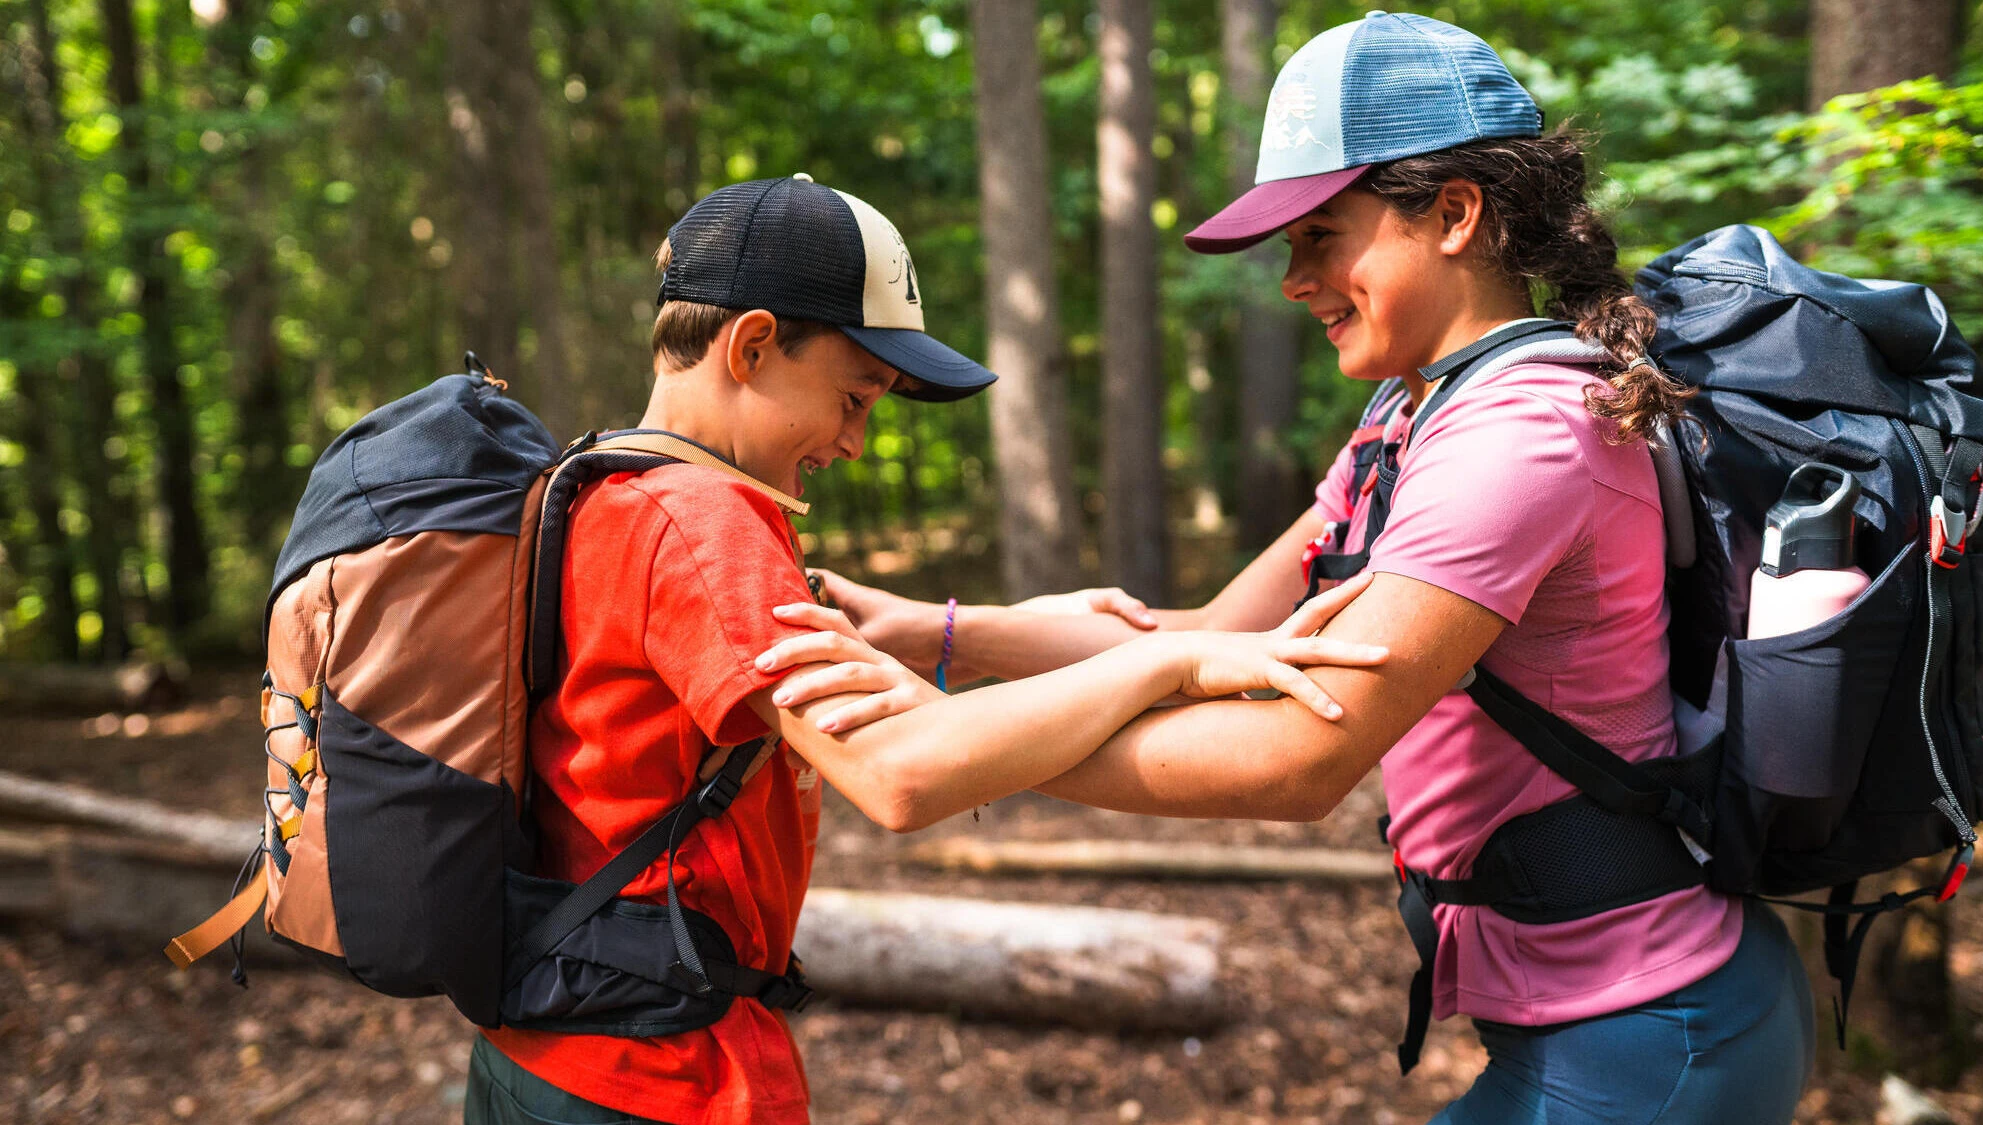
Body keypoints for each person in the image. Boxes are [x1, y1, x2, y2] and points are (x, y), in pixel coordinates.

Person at [771, 15, 1815, 1124]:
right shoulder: (1412, 413)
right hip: (1607, 1022)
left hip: (1651, 1038)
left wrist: (954, 741)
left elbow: (1292, 757)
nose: (1292, 280)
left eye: (1321, 234)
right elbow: (1215, 638)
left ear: (1454, 214)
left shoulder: (1523, 435)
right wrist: (932, 633)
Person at [465, 174, 1389, 1125]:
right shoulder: (703, 521)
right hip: (653, 1080)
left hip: (549, 1043)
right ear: (751, 346)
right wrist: (1166, 664)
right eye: (854, 397)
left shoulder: (606, 484)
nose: (857, 443)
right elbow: (899, 776)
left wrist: (1004, 625)